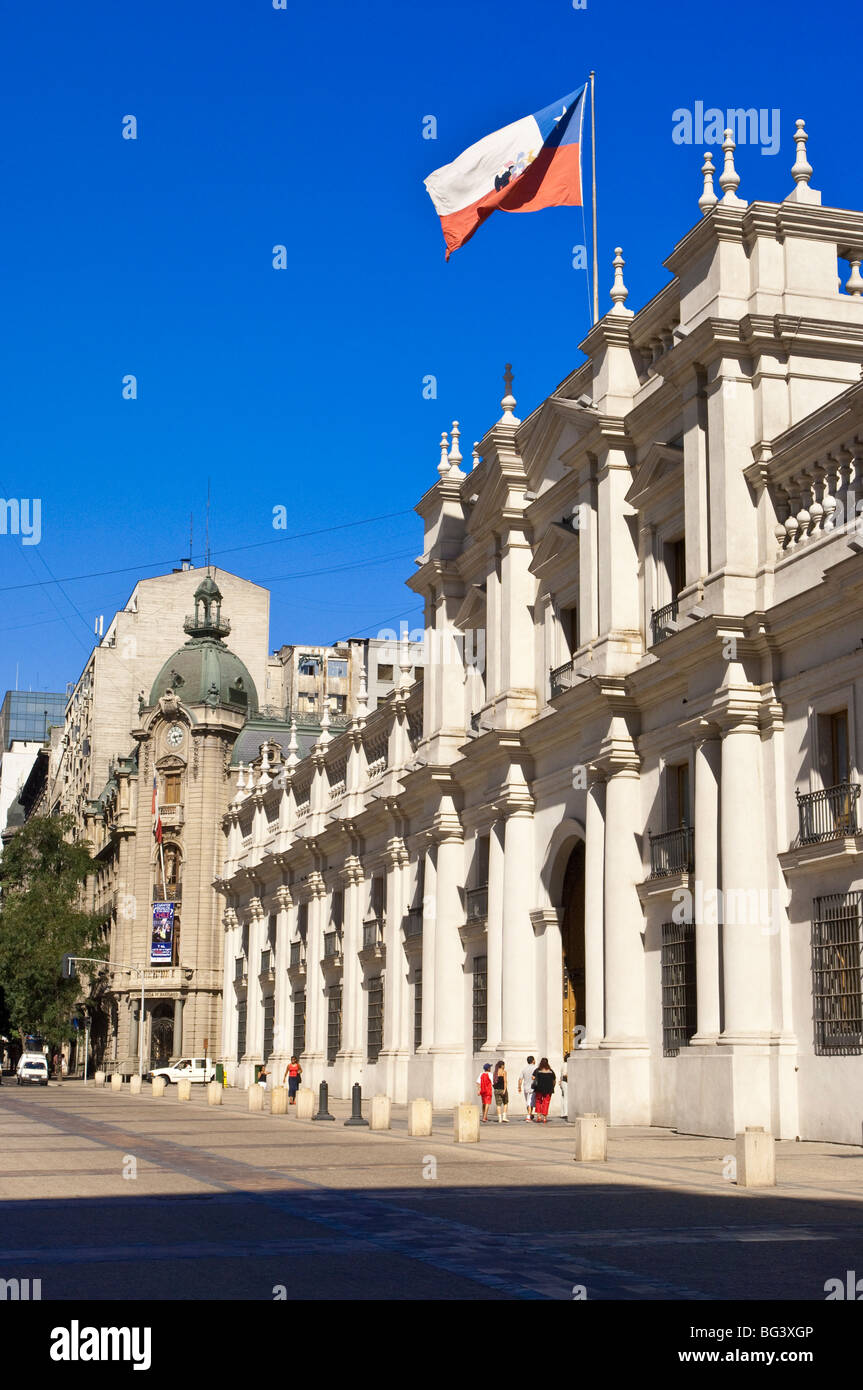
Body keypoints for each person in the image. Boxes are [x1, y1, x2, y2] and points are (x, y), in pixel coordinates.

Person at [532, 1057, 556, 1123]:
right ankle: (545, 1118)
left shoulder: (537, 1070)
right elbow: (554, 1080)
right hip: (549, 1089)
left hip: (539, 1088)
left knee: (538, 1101)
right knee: (546, 1102)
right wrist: (552, 1086)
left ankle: (539, 1116)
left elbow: (533, 1077)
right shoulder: (551, 1071)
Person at [518, 1055, 536, 1121]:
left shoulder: (524, 1069)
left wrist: (519, 1087)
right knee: (530, 1102)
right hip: (533, 1087)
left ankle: (530, 1115)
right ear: (533, 1060)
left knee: (528, 1101)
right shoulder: (536, 1068)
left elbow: (520, 1079)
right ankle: (528, 1115)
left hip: (526, 1087)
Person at [560, 1052, 569, 1121]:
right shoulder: (566, 1065)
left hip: (563, 1082)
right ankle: (566, 1113)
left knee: (563, 1097)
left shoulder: (563, 1064)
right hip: (566, 1082)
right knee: (566, 1097)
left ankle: (563, 1113)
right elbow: (565, 1075)